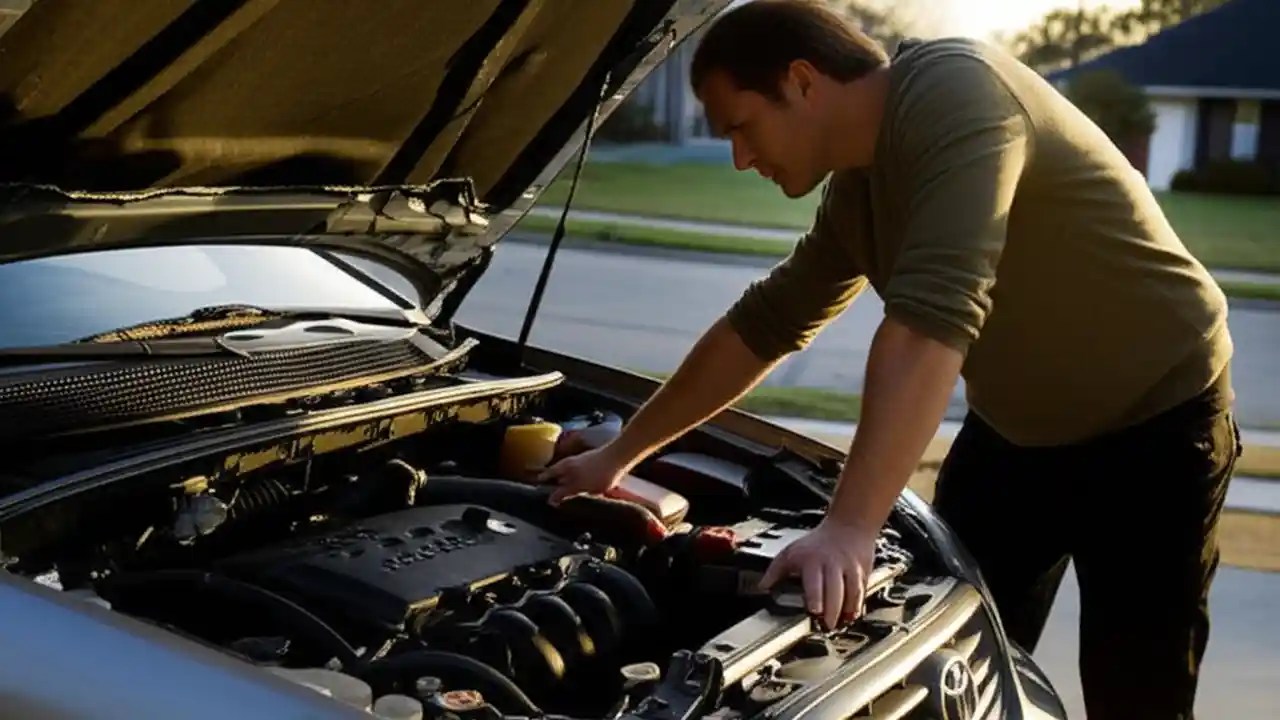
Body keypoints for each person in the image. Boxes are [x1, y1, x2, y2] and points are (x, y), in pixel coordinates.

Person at [537, 1, 1239, 717]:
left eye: (741, 127)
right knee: (956, 672)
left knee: (1137, 695)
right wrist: (618, 455)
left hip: (1155, 426)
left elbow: (931, 322)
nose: (740, 158)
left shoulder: (959, 93)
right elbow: (764, 324)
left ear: (803, 82)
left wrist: (850, 527)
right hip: (1017, 436)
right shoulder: (859, 191)